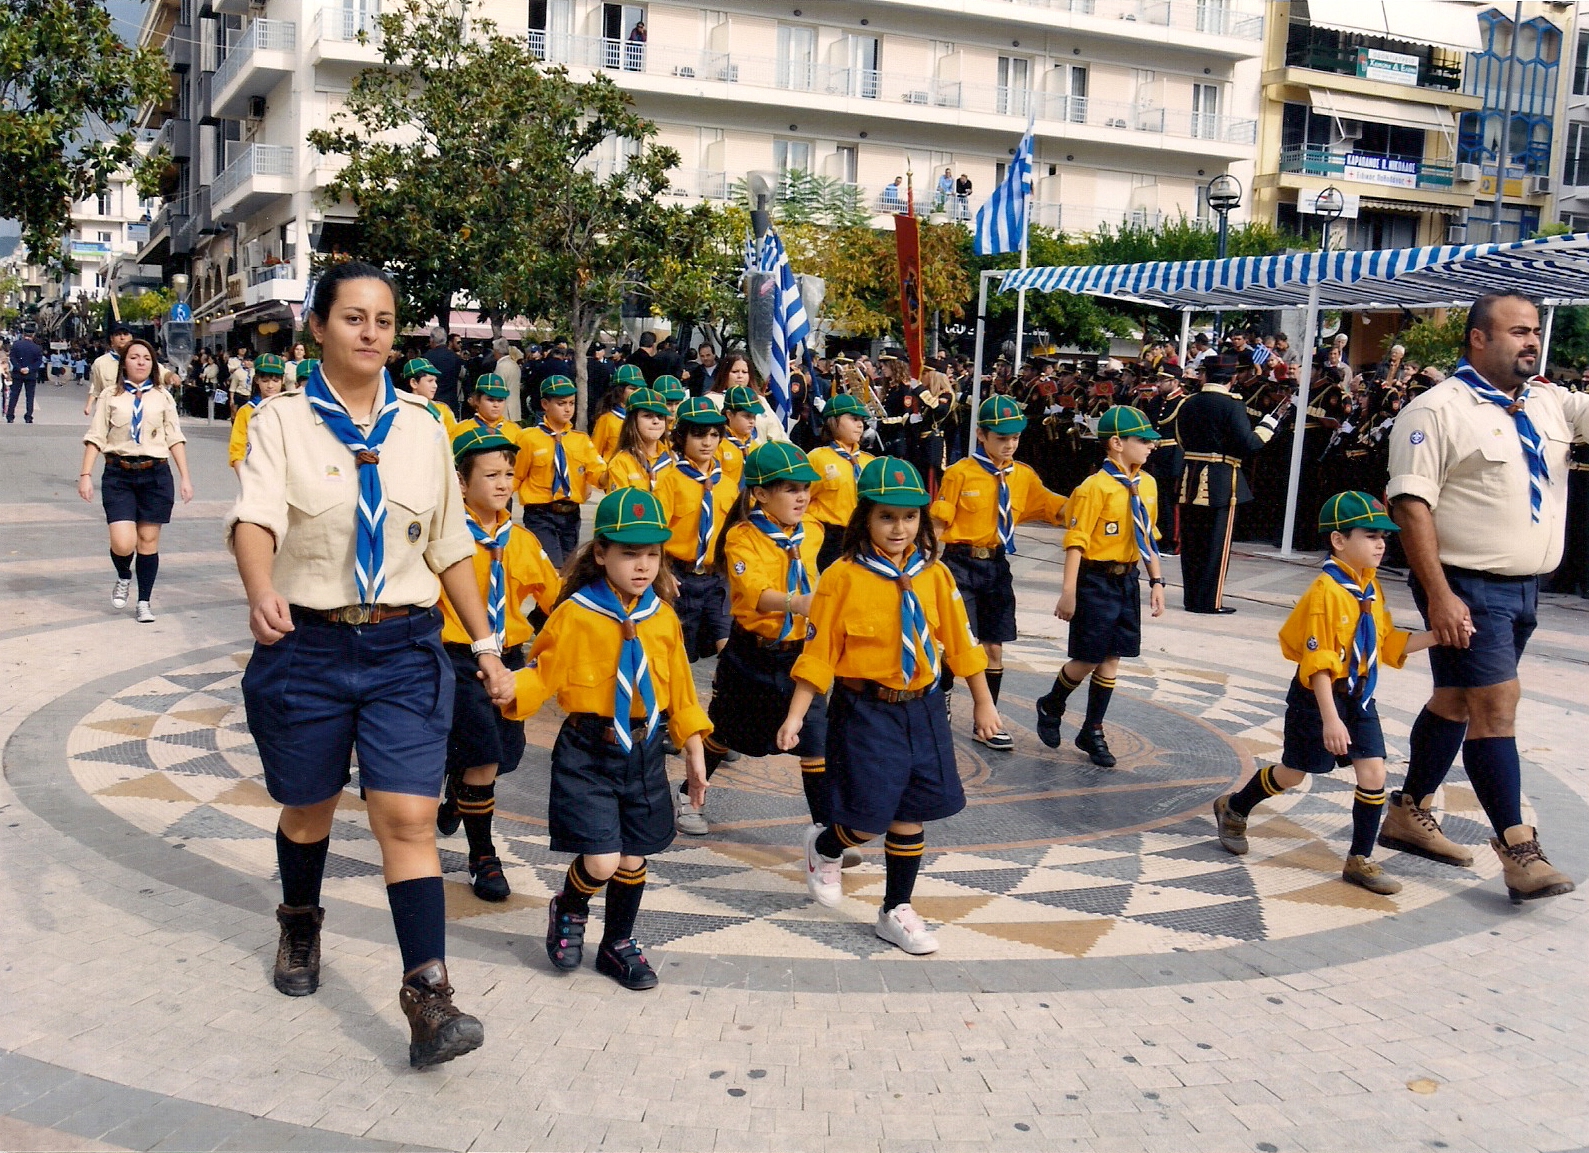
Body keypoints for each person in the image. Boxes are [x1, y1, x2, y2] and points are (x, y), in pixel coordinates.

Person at [227, 262, 511, 1068]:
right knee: (309, 808)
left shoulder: (425, 428)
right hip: (306, 646)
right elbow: (254, 519)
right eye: (353, 318)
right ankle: (300, 919)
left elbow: (450, 544)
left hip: (404, 647)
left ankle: (429, 996)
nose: (370, 333)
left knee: (409, 817)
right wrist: (257, 589)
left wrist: (485, 645)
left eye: (383, 321)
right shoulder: (280, 421)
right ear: (317, 327)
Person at [1381, 292, 1588, 903]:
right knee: (1497, 706)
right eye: (1518, 331)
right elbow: (1410, 505)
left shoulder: (1549, 403)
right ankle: (1519, 850)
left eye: (1534, 332)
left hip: (1525, 587)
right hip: (1467, 586)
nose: (1531, 341)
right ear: (1477, 338)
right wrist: (1439, 595)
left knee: (1456, 699)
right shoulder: (1435, 411)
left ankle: (1407, 811)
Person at [778, 457, 999, 956]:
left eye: (910, 517)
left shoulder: (935, 575)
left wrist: (983, 704)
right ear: (865, 519)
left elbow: (961, 643)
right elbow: (818, 654)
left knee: (912, 810)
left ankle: (896, 909)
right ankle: (828, 845)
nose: (900, 528)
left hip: (923, 708)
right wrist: (795, 716)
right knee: (868, 816)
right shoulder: (842, 577)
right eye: (886, 516)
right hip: (866, 711)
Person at [507, 488, 709, 990]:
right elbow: (543, 671)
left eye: (652, 554)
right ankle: (570, 905)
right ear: (600, 553)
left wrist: (694, 748)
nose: (642, 566)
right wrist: (508, 689)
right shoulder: (577, 612)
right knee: (600, 859)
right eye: (628, 553)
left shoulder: (660, 616)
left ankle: (617, 943)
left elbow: (680, 686)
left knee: (633, 856)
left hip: (642, 748)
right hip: (588, 748)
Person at [1213, 492, 1443, 895]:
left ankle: (1360, 859)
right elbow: (1316, 665)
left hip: (1357, 698)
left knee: (1374, 772)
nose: (1380, 544)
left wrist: (1437, 637)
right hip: (1318, 700)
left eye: (1384, 537)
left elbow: (1387, 644)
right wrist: (1330, 719)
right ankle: (1235, 806)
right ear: (1339, 541)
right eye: (1370, 535)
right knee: (1295, 772)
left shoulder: (1369, 590)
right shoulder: (1326, 591)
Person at [676, 442, 833, 837]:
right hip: (754, 654)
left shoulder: (813, 532)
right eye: (789, 489)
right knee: (725, 730)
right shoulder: (742, 538)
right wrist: (798, 602)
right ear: (761, 494)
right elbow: (755, 595)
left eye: (805, 488)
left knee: (816, 740)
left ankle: (825, 827)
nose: (801, 497)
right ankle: (689, 796)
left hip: (801, 652)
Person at [435, 427, 561, 901]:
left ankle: (457, 790)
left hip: (507, 660)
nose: (504, 483)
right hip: (456, 657)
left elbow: (556, 600)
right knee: (483, 757)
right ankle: (482, 855)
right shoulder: (445, 540)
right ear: (461, 484)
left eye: (509, 473)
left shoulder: (523, 541)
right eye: (490, 475)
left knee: (498, 754)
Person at [929, 395, 1068, 750]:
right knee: (956, 641)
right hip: (959, 563)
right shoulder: (960, 472)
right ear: (981, 435)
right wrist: (924, 563)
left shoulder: (1022, 476)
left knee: (994, 646)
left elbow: (1055, 507)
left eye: (1015, 438)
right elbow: (940, 521)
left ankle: (984, 720)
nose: (1009, 445)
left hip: (996, 565)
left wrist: (1095, 501)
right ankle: (942, 698)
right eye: (1001, 437)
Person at [1034, 406, 1167, 766]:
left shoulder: (1147, 485)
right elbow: (1076, 541)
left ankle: (1092, 729)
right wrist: (1069, 591)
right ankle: (1052, 702)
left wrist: (1157, 580)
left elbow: (1148, 537)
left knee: (1113, 657)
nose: (1150, 447)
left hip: (1127, 579)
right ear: (1116, 443)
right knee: (1088, 657)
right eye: (1143, 440)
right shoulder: (1094, 487)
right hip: (1095, 579)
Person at [78, 337, 196, 622]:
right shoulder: (110, 395)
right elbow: (96, 437)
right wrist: (85, 475)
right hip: (119, 473)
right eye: (134, 357)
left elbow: (174, 438)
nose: (141, 362)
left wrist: (185, 477)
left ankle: (144, 601)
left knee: (148, 540)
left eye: (146, 357)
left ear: (153, 363)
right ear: (124, 362)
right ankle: (122, 574)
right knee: (122, 543)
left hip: (155, 474)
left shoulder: (162, 396)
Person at [1177, 355, 1288, 614]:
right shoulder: (1232, 403)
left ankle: (1191, 598)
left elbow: (1182, 440)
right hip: (1220, 479)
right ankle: (1209, 602)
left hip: (1189, 476)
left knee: (1192, 543)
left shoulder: (1188, 402)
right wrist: (1267, 427)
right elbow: (1248, 443)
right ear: (1233, 378)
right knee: (1216, 545)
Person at [653, 397, 738, 662]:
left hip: (717, 580)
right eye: (699, 434)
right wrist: (662, 572)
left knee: (729, 650)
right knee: (679, 654)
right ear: (682, 436)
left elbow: (737, 533)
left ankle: (724, 700)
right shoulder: (669, 482)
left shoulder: (727, 484)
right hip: (680, 578)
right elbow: (655, 533)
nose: (707, 442)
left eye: (714, 435)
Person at [515, 375, 604, 567]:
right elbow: (515, 476)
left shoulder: (580, 440)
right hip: (540, 514)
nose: (567, 408)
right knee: (551, 568)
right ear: (545, 404)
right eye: (561, 403)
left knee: (568, 570)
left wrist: (611, 475)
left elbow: (597, 472)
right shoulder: (529, 439)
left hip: (571, 514)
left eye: (571, 403)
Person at [806, 394, 876, 572]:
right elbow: (803, 499)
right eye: (853, 419)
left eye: (861, 420)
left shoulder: (869, 462)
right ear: (833, 422)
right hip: (831, 538)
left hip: (864, 535)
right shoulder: (818, 458)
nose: (860, 425)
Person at [602, 387, 674, 492]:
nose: (656, 421)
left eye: (660, 416)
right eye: (647, 416)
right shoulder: (621, 462)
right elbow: (621, 504)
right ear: (633, 421)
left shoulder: (671, 459)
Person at [228, 353, 288, 469]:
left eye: (275, 381)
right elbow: (237, 450)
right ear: (256, 380)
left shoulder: (290, 408)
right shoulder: (246, 411)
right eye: (265, 381)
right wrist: (247, 482)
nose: (270, 386)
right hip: (257, 472)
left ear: (283, 380)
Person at [592, 363, 643, 460]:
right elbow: (594, 455)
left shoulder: (643, 418)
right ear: (619, 390)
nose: (637, 393)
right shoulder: (606, 420)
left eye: (640, 389)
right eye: (632, 388)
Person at [399, 356, 457, 436]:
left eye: (435, 381)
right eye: (430, 381)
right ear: (414, 383)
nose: (435, 386)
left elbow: (453, 437)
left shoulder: (442, 410)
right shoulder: (399, 410)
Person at [85, 322, 133, 415]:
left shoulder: (141, 358)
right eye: (118, 334)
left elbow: (160, 373)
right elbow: (96, 386)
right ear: (112, 338)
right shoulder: (101, 362)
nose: (122, 337)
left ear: (131, 337)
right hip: (109, 412)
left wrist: (169, 377)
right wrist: (89, 405)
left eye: (125, 334)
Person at [460, 373, 521, 438]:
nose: (496, 405)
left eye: (500, 400)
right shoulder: (463, 430)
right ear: (477, 400)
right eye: (491, 400)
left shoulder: (515, 430)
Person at [7, 325, 44, 424]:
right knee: (30, 396)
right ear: (33, 335)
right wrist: (29, 369)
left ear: (23, 334)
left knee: (14, 395)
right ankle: (28, 416)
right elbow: (39, 361)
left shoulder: (16, 344)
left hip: (17, 374)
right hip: (30, 375)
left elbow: (12, 358)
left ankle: (10, 416)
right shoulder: (37, 348)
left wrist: (19, 368)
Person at [426, 328, 465, 417]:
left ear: (432, 340)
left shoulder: (426, 358)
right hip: (450, 402)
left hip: (431, 402)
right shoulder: (456, 358)